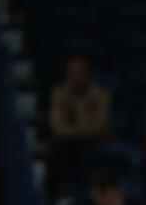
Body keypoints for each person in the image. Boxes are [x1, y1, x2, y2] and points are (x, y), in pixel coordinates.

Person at [45, 53, 111, 197]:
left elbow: (101, 125)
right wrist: (82, 131)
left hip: (95, 145)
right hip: (70, 146)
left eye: (81, 71)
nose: (77, 76)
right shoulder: (59, 94)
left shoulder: (101, 95)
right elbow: (58, 127)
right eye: (73, 72)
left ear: (89, 74)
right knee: (59, 147)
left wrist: (81, 106)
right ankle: (55, 198)